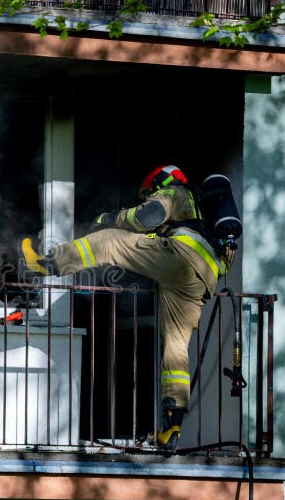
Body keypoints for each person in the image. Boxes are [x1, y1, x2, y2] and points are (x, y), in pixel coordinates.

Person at [20, 165, 233, 452]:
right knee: (175, 347)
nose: (148, 196)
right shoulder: (208, 214)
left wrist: (112, 218)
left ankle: (48, 264)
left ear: (161, 182)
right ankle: (172, 426)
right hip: (204, 279)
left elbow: (148, 217)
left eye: (149, 192)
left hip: (182, 258)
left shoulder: (176, 192)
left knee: (109, 242)